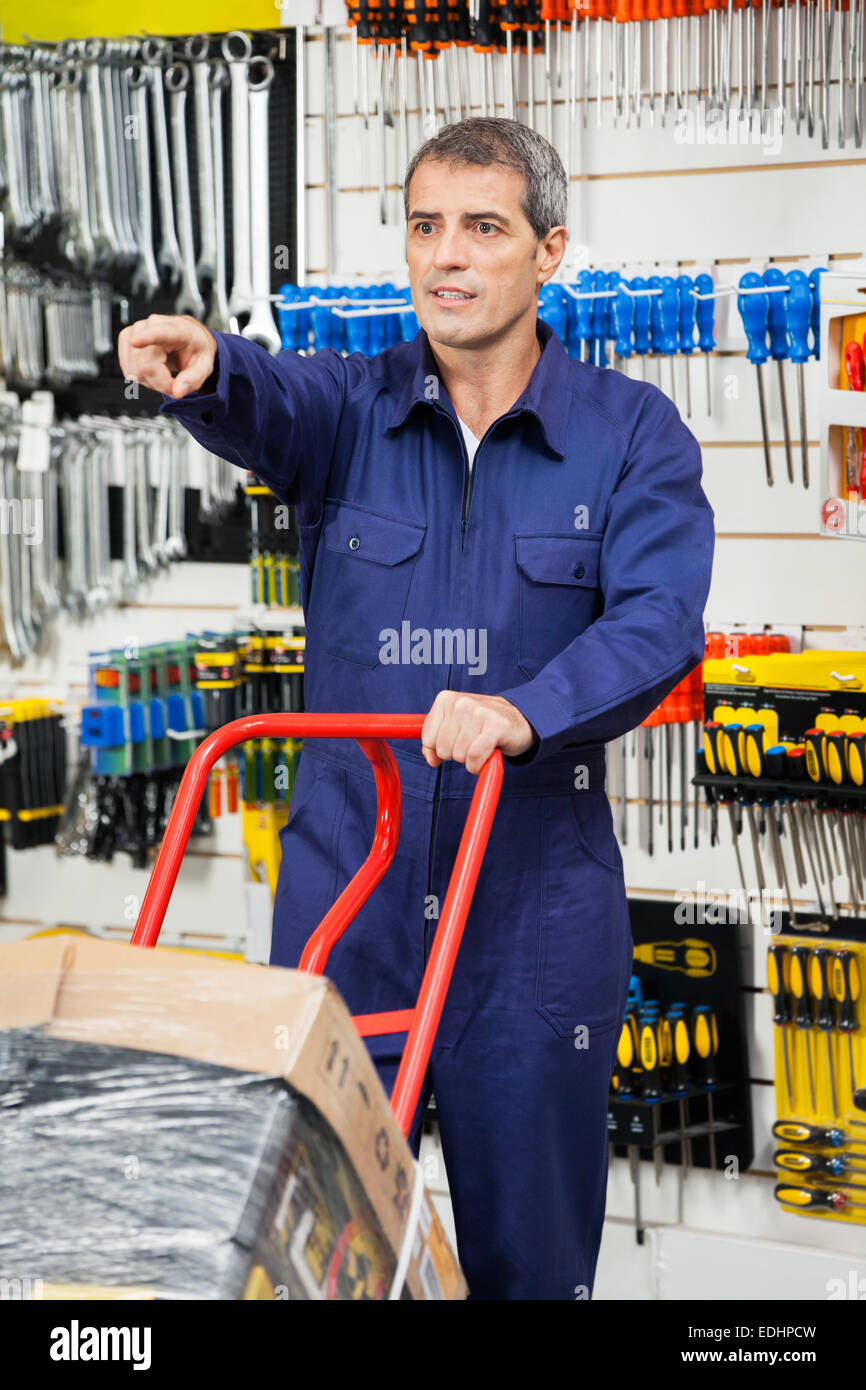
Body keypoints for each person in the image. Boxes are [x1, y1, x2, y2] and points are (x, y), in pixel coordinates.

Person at [118, 116, 714, 1300]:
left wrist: (521, 710)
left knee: (529, 1270)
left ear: (548, 251)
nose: (446, 255)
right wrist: (210, 370)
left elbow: (656, 628)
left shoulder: (630, 433)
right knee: (318, 1260)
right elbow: (265, 397)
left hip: (530, 923)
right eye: (425, 226)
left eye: (482, 228)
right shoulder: (347, 410)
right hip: (349, 904)